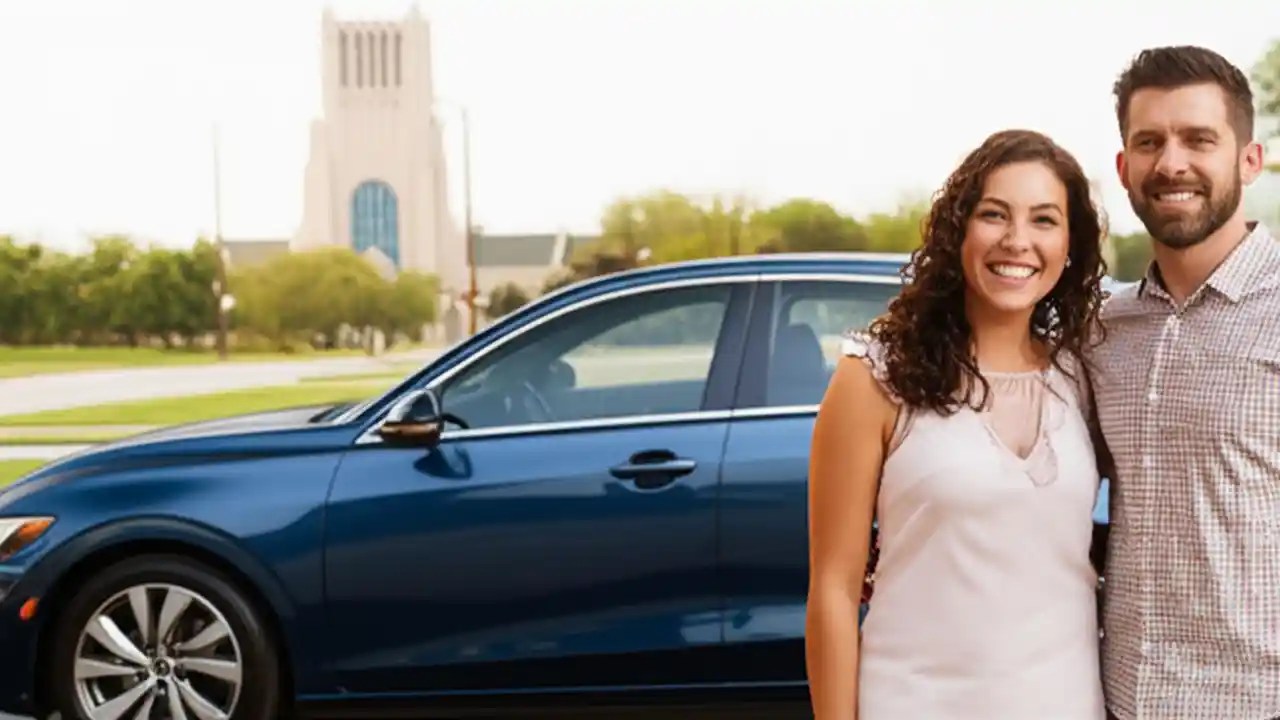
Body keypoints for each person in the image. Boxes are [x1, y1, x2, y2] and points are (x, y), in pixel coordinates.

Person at [805, 128, 1110, 720]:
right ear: (959, 230)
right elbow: (834, 594)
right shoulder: (873, 377)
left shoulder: (1084, 376)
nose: (1017, 241)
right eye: (995, 214)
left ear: (1071, 243)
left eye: (1044, 220)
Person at [1093, 45, 1276, 720]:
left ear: (1248, 160)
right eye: (1150, 142)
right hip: (1123, 697)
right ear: (1125, 168)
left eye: (1200, 139)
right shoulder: (1105, 332)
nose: (1172, 163)